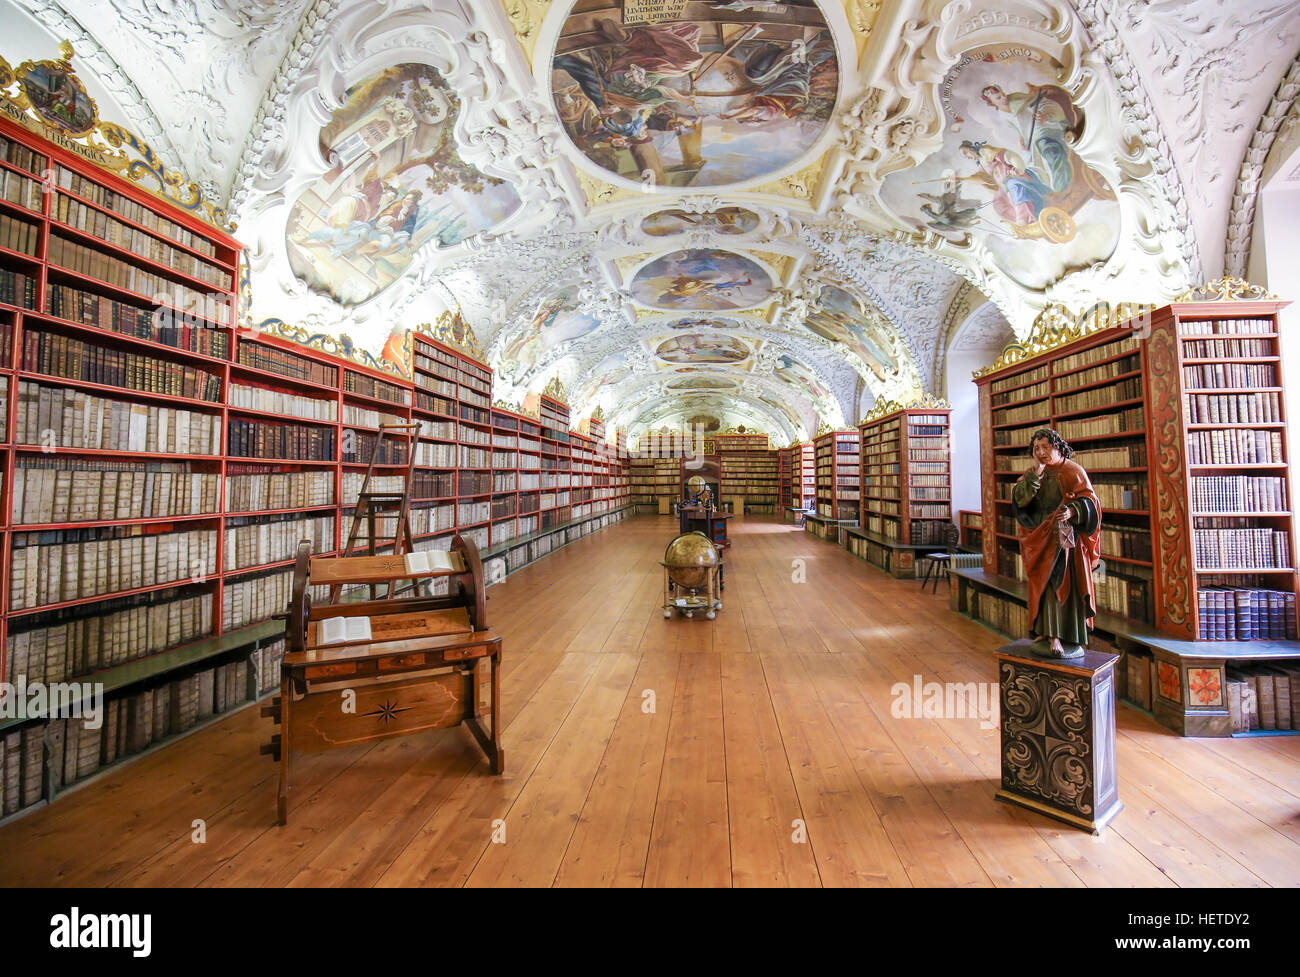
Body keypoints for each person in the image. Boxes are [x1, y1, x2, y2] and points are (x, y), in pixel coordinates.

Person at [1012, 428, 1102, 658]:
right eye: (1036, 449)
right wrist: (1037, 473)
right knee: (1043, 587)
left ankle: (1061, 636)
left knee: (1061, 586)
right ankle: (1044, 630)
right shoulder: (1033, 473)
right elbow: (1020, 499)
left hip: (1065, 543)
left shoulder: (1072, 471)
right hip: (1041, 541)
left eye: (1045, 447)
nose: (1041, 452)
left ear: (1058, 447)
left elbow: (1091, 503)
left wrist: (1073, 510)